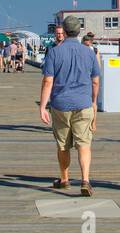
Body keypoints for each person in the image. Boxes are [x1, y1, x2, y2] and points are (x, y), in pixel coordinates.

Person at [38, 15, 101, 196]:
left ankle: (64, 179)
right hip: (83, 103)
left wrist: (43, 106)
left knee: (63, 145)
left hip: (60, 105)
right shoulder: (89, 53)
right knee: (84, 144)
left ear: (63, 32)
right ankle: (85, 180)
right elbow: (95, 81)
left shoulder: (54, 52)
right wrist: (94, 101)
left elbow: (48, 81)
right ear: (79, 32)